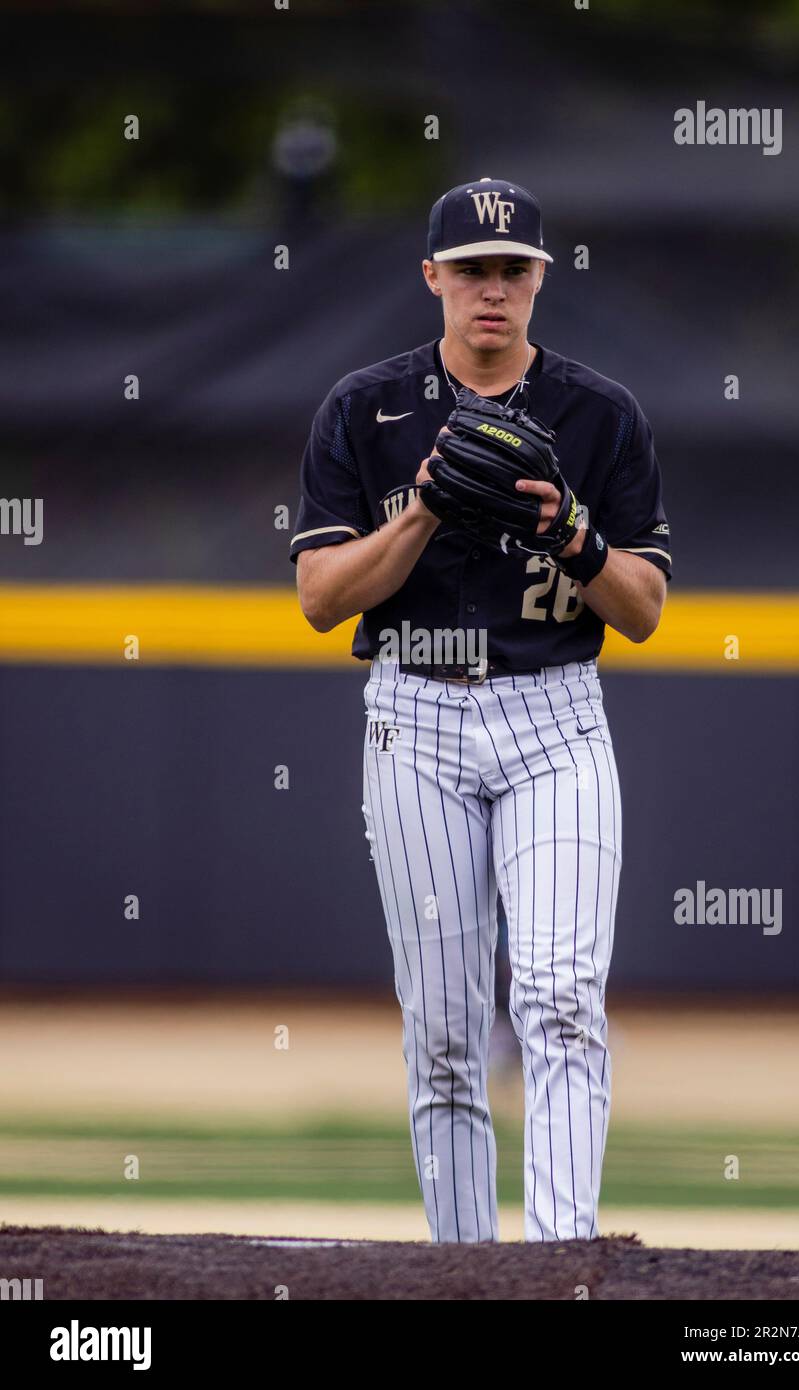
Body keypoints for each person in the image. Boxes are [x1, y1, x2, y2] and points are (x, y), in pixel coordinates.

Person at [291, 177, 671, 1242]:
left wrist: (568, 534)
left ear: (540, 278)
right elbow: (321, 599)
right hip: (412, 715)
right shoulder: (363, 408)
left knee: (556, 997)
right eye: (470, 271)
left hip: (554, 714)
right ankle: (463, 1274)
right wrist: (422, 507)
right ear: (433, 280)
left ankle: (560, 1264)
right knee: (447, 1032)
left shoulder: (598, 414)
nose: (490, 290)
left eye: (511, 269)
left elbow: (640, 611)